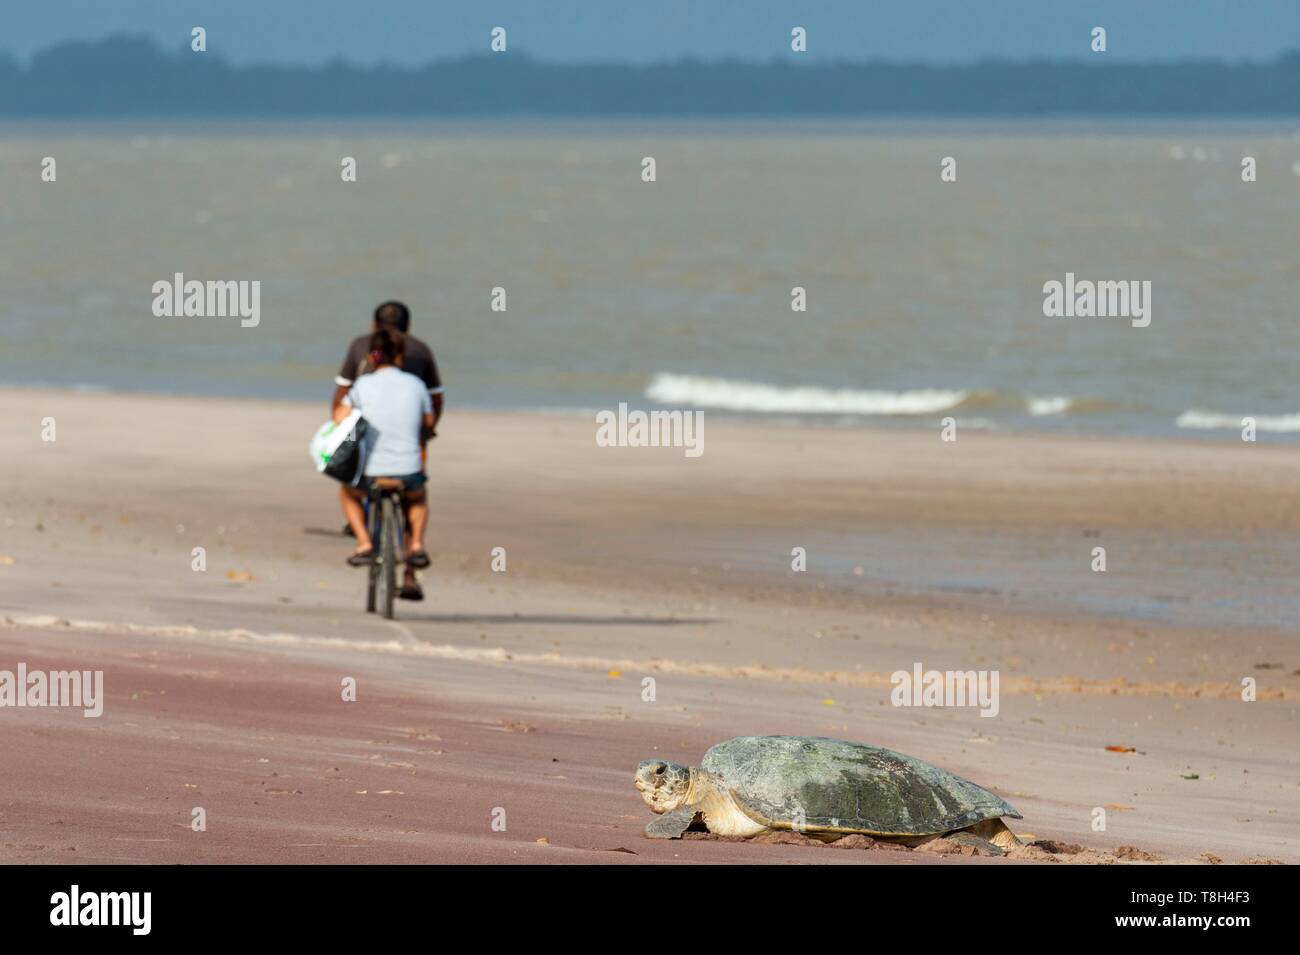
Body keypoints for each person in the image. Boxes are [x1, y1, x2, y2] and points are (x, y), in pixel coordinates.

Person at [332, 301, 443, 600]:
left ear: (373, 325)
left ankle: (364, 544)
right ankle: (412, 562)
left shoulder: (360, 349)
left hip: (369, 459)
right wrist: (425, 433)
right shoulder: (420, 352)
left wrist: (341, 437)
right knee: (414, 497)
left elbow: (340, 401)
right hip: (411, 449)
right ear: (407, 329)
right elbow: (435, 405)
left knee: (350, 488)